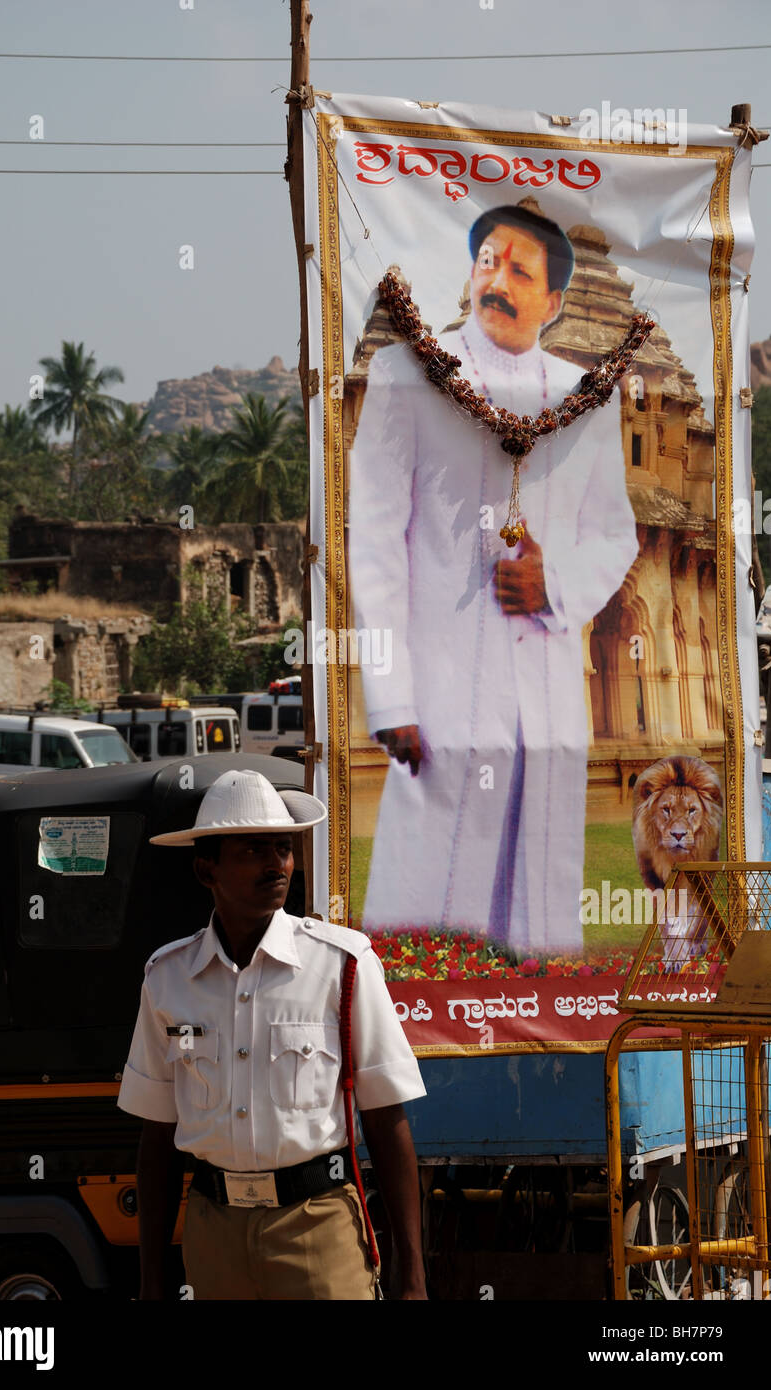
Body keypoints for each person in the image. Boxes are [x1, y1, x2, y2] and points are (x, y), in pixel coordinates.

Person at [349, 201, 639, 953]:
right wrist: (392, 694)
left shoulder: (586, 396)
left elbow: (614, 536)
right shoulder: (408, 372)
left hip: (544, 700)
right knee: (432, 923)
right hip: (440, 701)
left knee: (538, 922)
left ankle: (544, 1060)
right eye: (487, 262)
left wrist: (555, 583)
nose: (497, 281)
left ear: (554, 301)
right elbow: (375, 538)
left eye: (519, 270)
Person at [118, 768, 427, 1300]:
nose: (276, 865)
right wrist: (151, 1283)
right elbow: (157, 1139)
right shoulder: (168, 980)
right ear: (205, 870)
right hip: (214, 1233)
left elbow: (386, 1118)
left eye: (283, 848)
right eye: (253, 851)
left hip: (319, 1226)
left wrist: (413, 1277)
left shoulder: (342, 966)